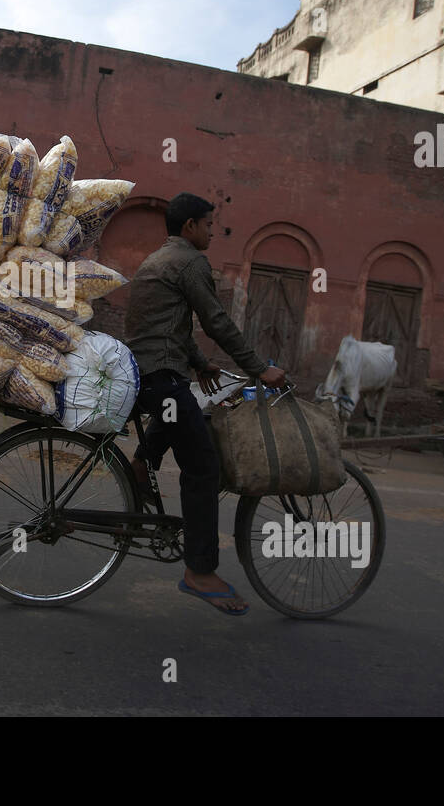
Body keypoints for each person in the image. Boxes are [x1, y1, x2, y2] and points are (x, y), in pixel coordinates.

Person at [122, 192, 287, 616]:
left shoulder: (156, 260)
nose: (214, 231)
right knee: (204, 465)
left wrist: (198, 362)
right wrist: (258, 369)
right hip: (160, 373)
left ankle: (142, 465)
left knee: (183, 410)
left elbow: (163, 323)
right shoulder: (192, 263)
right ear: (191, 225)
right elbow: (215, 320)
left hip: (146, 371)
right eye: (210, 224)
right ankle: (199, 571)